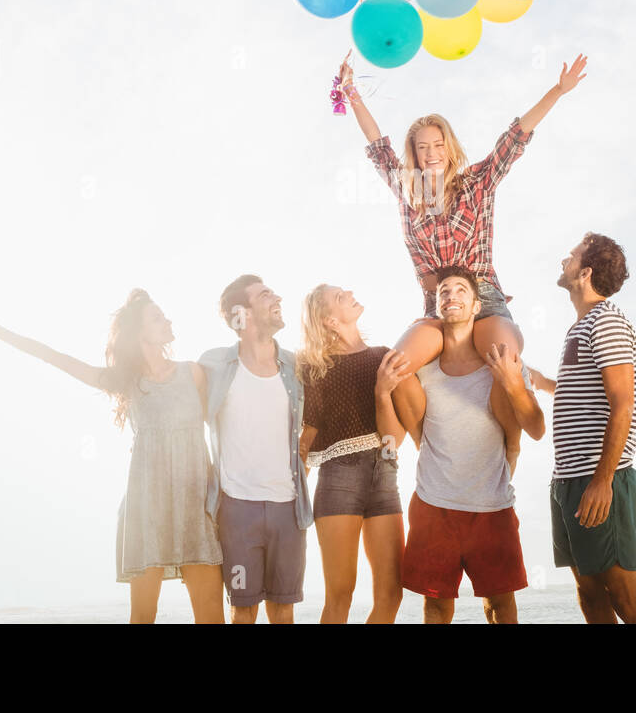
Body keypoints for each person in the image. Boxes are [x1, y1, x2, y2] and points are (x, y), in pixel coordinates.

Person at [341, 49, 588, 473]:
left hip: (484, 298)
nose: (431, 153)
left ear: (448, 146)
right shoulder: (406, 189)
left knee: (504, 359)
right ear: (414, 154)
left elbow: (515, 138)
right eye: (422, 148)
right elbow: (376, 144)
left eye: (438, 144)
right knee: (395, 369)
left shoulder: (476, 182)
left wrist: (558, 91)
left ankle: (510, 445)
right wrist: (352, 94)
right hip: (438, 306)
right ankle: (421, 453)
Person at [0, 290, 225, 624]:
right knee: (142, 616)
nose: (167, 321)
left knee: (211, 616)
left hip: (194, 506)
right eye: (157, 317)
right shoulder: (126, 381)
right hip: (146, 511)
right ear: (139, 333)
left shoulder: (192, 373)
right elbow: (56, 358)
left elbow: (225, 425)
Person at [391, 266, 545, 624]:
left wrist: (513, 384)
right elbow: (413, 429)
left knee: (500, 606)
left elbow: (537, 428)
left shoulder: (504, 365)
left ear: (477, 307)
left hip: (491, 507)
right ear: (436, 306)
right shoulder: (422, 372)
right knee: (437, 606)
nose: (452, 295)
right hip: (433, 506)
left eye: (461, 290)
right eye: (444, 290)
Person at [529, 233, 636, 624]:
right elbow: (584, 394)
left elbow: (622, 405)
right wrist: (539, 381)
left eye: (571, 256)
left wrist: (602, 482)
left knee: (623, 593)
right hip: (569, 480)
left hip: (600, 480)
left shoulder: (607, 322)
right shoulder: (580, 327)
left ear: (584, 272)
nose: (564, 259)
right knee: (589, 591)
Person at [198, 275, 312, 624]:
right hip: (235, 512)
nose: (276, 296)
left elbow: (310, 431)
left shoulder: (297, 367)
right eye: (264, 295)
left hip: (289, 510)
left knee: (283, 610)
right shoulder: (214, 365)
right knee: (243, 609)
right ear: (241, 314)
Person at [297, 284, 413, 624]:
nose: (349, 292)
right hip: (338, 477)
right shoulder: (313, 367)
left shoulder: (384, 357)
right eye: (338, 296)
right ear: (330, 320)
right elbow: (308, 435)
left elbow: (395, 438)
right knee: (340, 595)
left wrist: (381, 392)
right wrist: (288, 490)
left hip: (385, 474)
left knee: (392, 593)